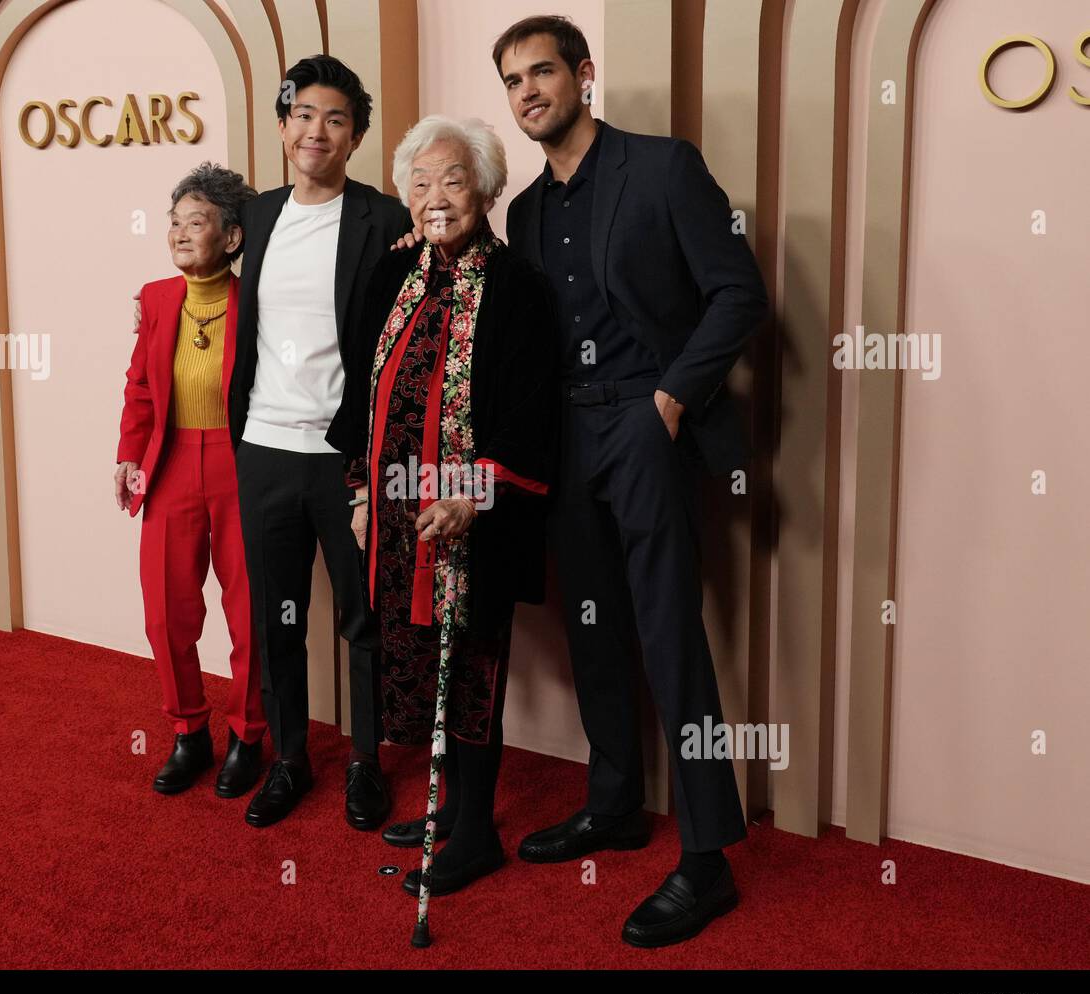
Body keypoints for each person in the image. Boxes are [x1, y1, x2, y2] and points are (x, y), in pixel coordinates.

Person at [495, 16, 769, 946]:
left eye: (542, 72)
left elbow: (740, 290)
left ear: (583, 74)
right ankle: (613, 804)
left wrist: (669, 401)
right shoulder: (525, 212)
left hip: (646, 422)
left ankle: (706, 858)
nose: (528, 91)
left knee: (669, 633)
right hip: (566, 435)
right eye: (513, 81)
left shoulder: (662, 167)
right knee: (593, 630)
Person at [327, 115, 560, 896]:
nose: (434, 196)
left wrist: (474, 492)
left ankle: (472, 832)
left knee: (471, 667)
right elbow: (362, 390)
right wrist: (363, 489)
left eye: (453, 180)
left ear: (486, 189)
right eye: (420, 182)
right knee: (422, 660)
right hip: (398, 521)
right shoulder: (391, 274)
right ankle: (450, 808)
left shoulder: (520, 289)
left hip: (470, 520)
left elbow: (534, 415)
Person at [229, 56, 414, 830]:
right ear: (282, 126)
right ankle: (290, 761)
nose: (316, 130)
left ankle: (367, 761)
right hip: (263, 447)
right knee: (280, 618)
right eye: (303, 114)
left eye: (335, 119)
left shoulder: (386, 218)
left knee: (365, 617)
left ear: (357, 136)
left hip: (348, 457)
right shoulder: (259, 214)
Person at [115, 162, 267, 799]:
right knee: (166, 614)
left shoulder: (257, 298)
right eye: (173, 221)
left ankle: (249, 736)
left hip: (242, 464)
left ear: (231, 237)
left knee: (251, 613)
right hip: (171, 462)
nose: (178, 232)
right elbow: (142, 385)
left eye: (195, 222)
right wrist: (128, 453)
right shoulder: (154, 298)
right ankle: (188, 733)